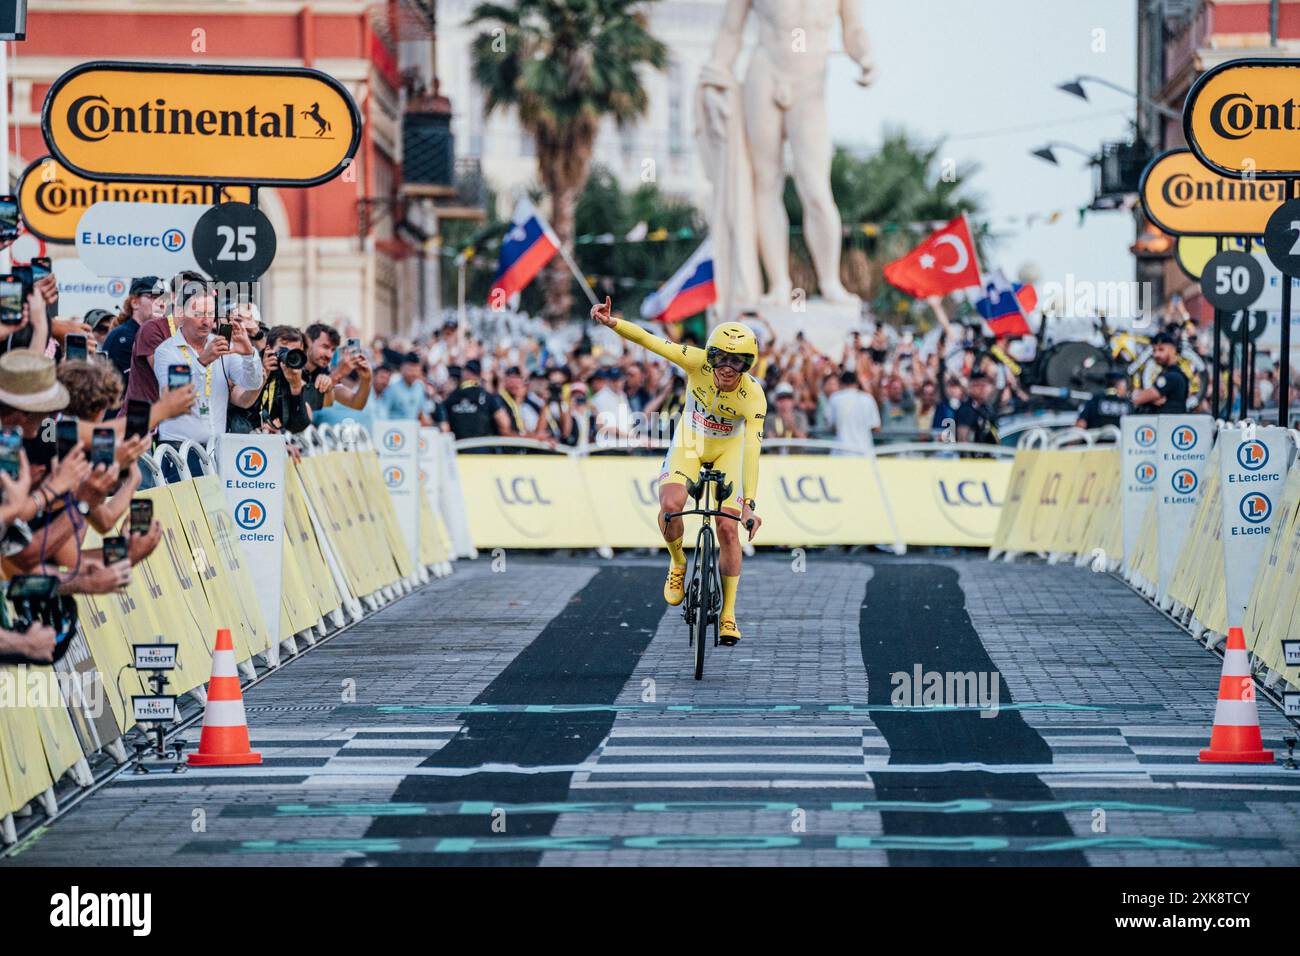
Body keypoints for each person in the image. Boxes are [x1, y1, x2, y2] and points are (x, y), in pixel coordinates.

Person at [591, 296, 764, 647]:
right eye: (720, 358)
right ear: (710, 356)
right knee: (671, 507)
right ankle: (678, 563)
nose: (727, 368)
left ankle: (728, 613)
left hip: (728, 450)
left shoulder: (753, 396)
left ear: (748, 364)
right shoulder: (696, 362)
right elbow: (651, 341)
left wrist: (750, 504)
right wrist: (613, 324)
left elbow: (752, 449)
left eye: (738, 361)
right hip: (689, 443)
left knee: (728, 530)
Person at [151, 288, 263, 447]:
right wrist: (202, 362)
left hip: (216, 447)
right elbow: (175, 395)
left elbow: (252, 384)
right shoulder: (166, 351)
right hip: (178, 447)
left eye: (210, 314)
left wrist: (249, 355)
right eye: (198, 314)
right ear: (181, 314)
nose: (206, 321)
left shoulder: (222, 344)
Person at [102, 276, 165, 382]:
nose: (162, 303)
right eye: (154, 297)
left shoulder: (156, 336)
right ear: (135, 303)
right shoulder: (123, 337)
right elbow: (135, 387)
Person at [439, 358, 508, 438]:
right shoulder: (487, 396)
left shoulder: (451, 397)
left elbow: (445, 428)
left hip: (459, 447)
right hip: (484, 446)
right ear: (480, 375)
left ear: (463, 374)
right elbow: (504, 424)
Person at [1132, 331, 1190, 414]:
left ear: (1173, 350)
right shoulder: (1172, 374)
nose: (1156, 355)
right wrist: (1152, 399)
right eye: (1154, 350)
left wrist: (1139, 395)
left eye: (1161, 349)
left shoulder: (1172, 377)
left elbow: (1138, 399)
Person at [825, 369, 880, 454]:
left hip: (842, 453)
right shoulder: (868, 399)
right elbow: (876, 427)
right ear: (857, 383)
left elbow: (830, 425)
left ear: (841, 383)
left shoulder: (835, 398)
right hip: (864, 451)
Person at [957, 370, 1000, 445]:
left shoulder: (987, 408)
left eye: (984, 385)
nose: (982, 389)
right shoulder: (966, 409)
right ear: (970, 388)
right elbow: (962, 439)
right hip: (974, 452)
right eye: (978, 385)